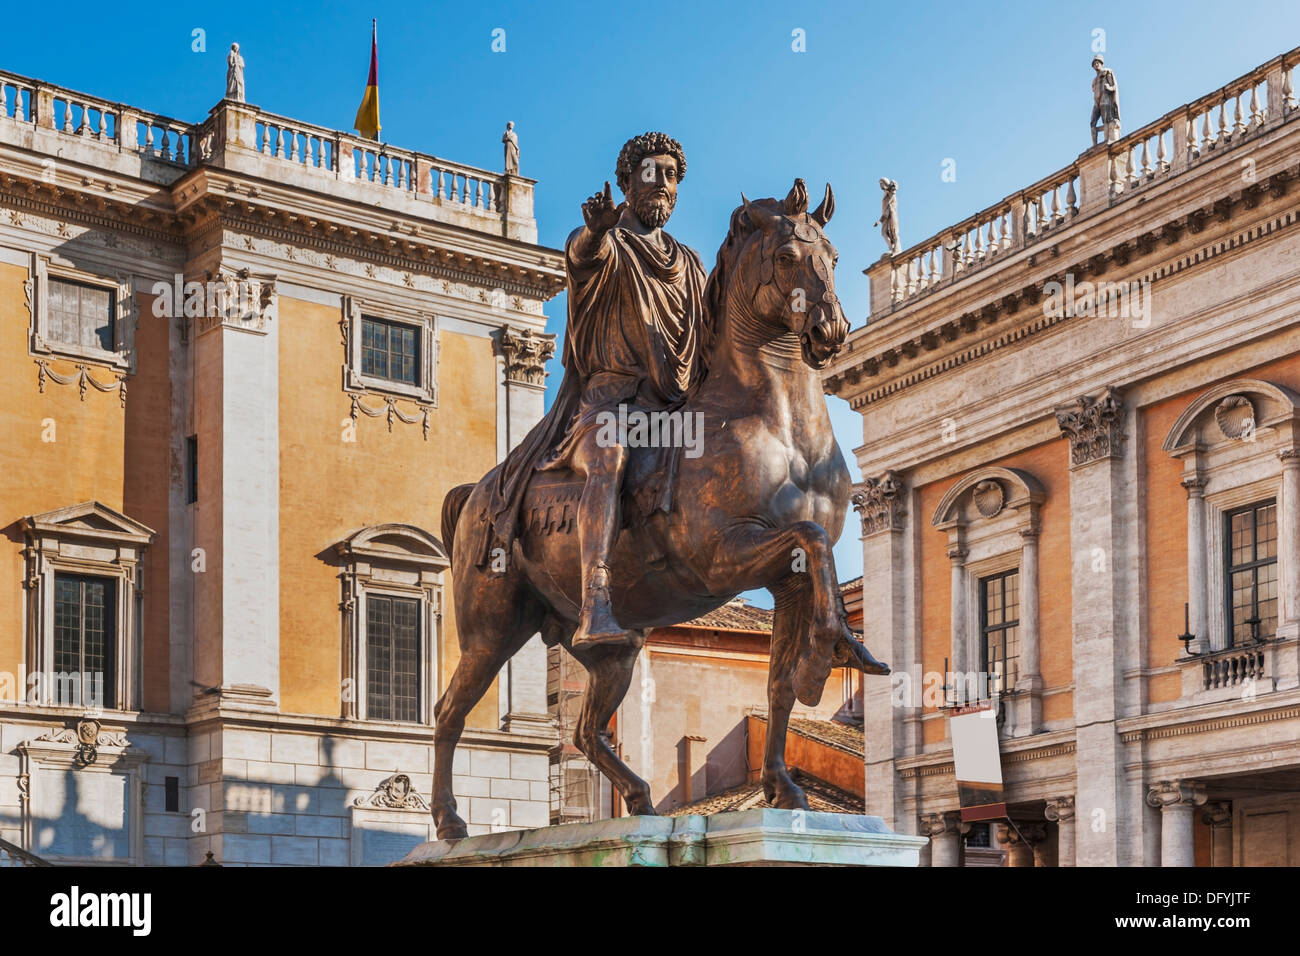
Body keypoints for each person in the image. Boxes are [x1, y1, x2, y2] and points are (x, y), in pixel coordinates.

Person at [485, 132, 709, 648]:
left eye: (672, 175)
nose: (664, 184)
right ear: (628, 181)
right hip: (609, 406)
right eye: (652, 173)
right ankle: (596, 600)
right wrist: (594, 232)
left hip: (675, 411)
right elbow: (582, 260)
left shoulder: (692, 265)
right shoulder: (605, 244)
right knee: (610, 457)